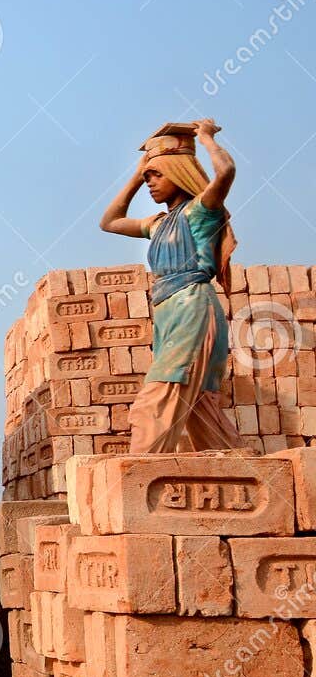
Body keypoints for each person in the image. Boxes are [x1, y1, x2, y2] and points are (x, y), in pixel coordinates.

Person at [99, 118, 241, 454]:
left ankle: (136, 475)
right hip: (169, 312)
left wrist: (206, 139)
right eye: (148, 177)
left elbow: (225, 172)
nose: (150, 183)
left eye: (157, 175)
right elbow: (109, 222)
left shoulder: (200, 212)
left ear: (179, 172)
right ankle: (242, 469)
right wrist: (137, 175)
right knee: (201, 409)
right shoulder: (158, 223)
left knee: (155, 401)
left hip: (191, 306)